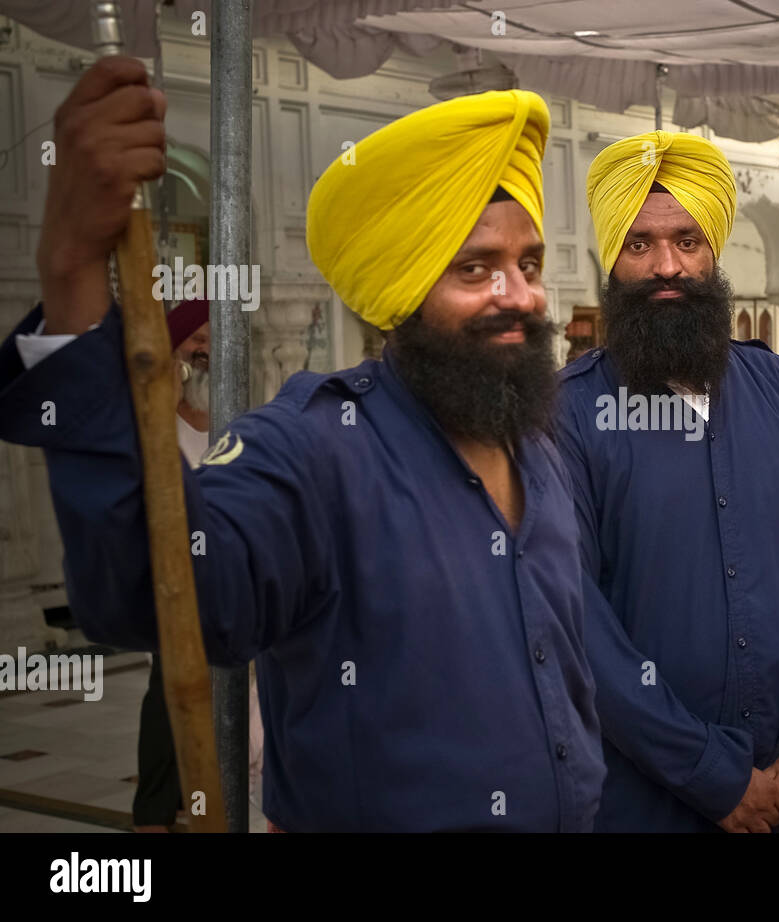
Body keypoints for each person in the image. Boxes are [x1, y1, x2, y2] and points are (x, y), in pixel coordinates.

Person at [0, 58, 605, 831]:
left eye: (527, 265)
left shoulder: (538, 450)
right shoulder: (317, 448)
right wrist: (72, 272)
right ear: (401, 292)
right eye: (474, 269)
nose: (517, 295)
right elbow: (148, 589)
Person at [555, 130, 779, 833]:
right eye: (639, 244)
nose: (667, 265)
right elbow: (573, 621)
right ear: (610, 260)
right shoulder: (566, 415)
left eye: (688, 241)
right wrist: (714, 774)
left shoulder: (778, 386)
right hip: (650, 799)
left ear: (714, 254)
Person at [132, 298, 209, 833]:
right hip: (173, 577)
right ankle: (152, 815)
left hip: (223, 571)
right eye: (195, 339)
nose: (205, 349)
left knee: (212, 693)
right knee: (168, 691)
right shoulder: (154, 418)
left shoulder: (232, 412)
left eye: (213, 340)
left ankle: (194, 796)